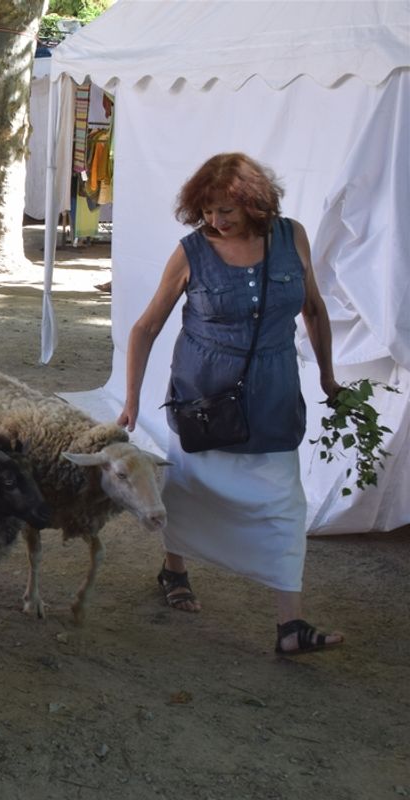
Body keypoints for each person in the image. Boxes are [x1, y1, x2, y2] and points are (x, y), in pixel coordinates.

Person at [117, 152, 344, 656]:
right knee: (189, 489)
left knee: (285, 504)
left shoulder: (292, 237)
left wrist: (328, 376)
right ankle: (174, 570)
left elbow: (312, 308)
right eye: (207, 211)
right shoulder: (191, 252)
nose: (215, 221)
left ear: (255, 203)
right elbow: (145, 327)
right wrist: (131, 399)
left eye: (226, 210)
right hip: (204, 397)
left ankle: (290, 624)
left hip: (274, 396)